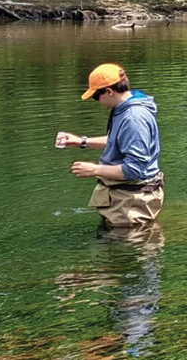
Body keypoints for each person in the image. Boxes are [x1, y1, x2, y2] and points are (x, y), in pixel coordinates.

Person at [57, 63, 163, 241]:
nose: (97, 102)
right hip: (125, 198)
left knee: (125, 251)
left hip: (131, 202)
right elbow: (118, 141)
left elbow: (134, 169)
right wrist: (81, 142)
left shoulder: (133, 118)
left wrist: (94, 170)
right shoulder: (126, 108)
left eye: (96, 96)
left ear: (109, 91)